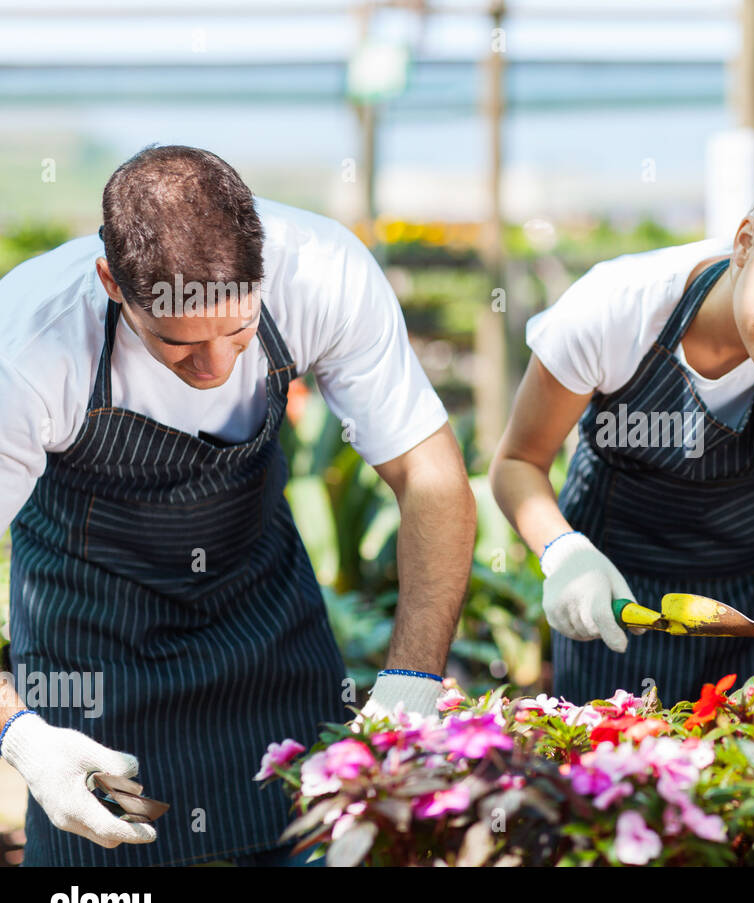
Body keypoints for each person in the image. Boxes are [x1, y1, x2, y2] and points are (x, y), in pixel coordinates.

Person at [0, 145, 476, 866]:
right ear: (111, 283)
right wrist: (22, 736)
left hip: (265, 629)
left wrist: (411, 685)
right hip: (88, 643)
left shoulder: (323, 272)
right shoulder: (30, 348)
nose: (215, 368)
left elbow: (430, 475)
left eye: (238, 331)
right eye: (179, 343)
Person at [489, 158, 754, 706]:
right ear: (745, 243)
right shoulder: (614, 309)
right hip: (617, 595)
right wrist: (564, 553)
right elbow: (517, 463)